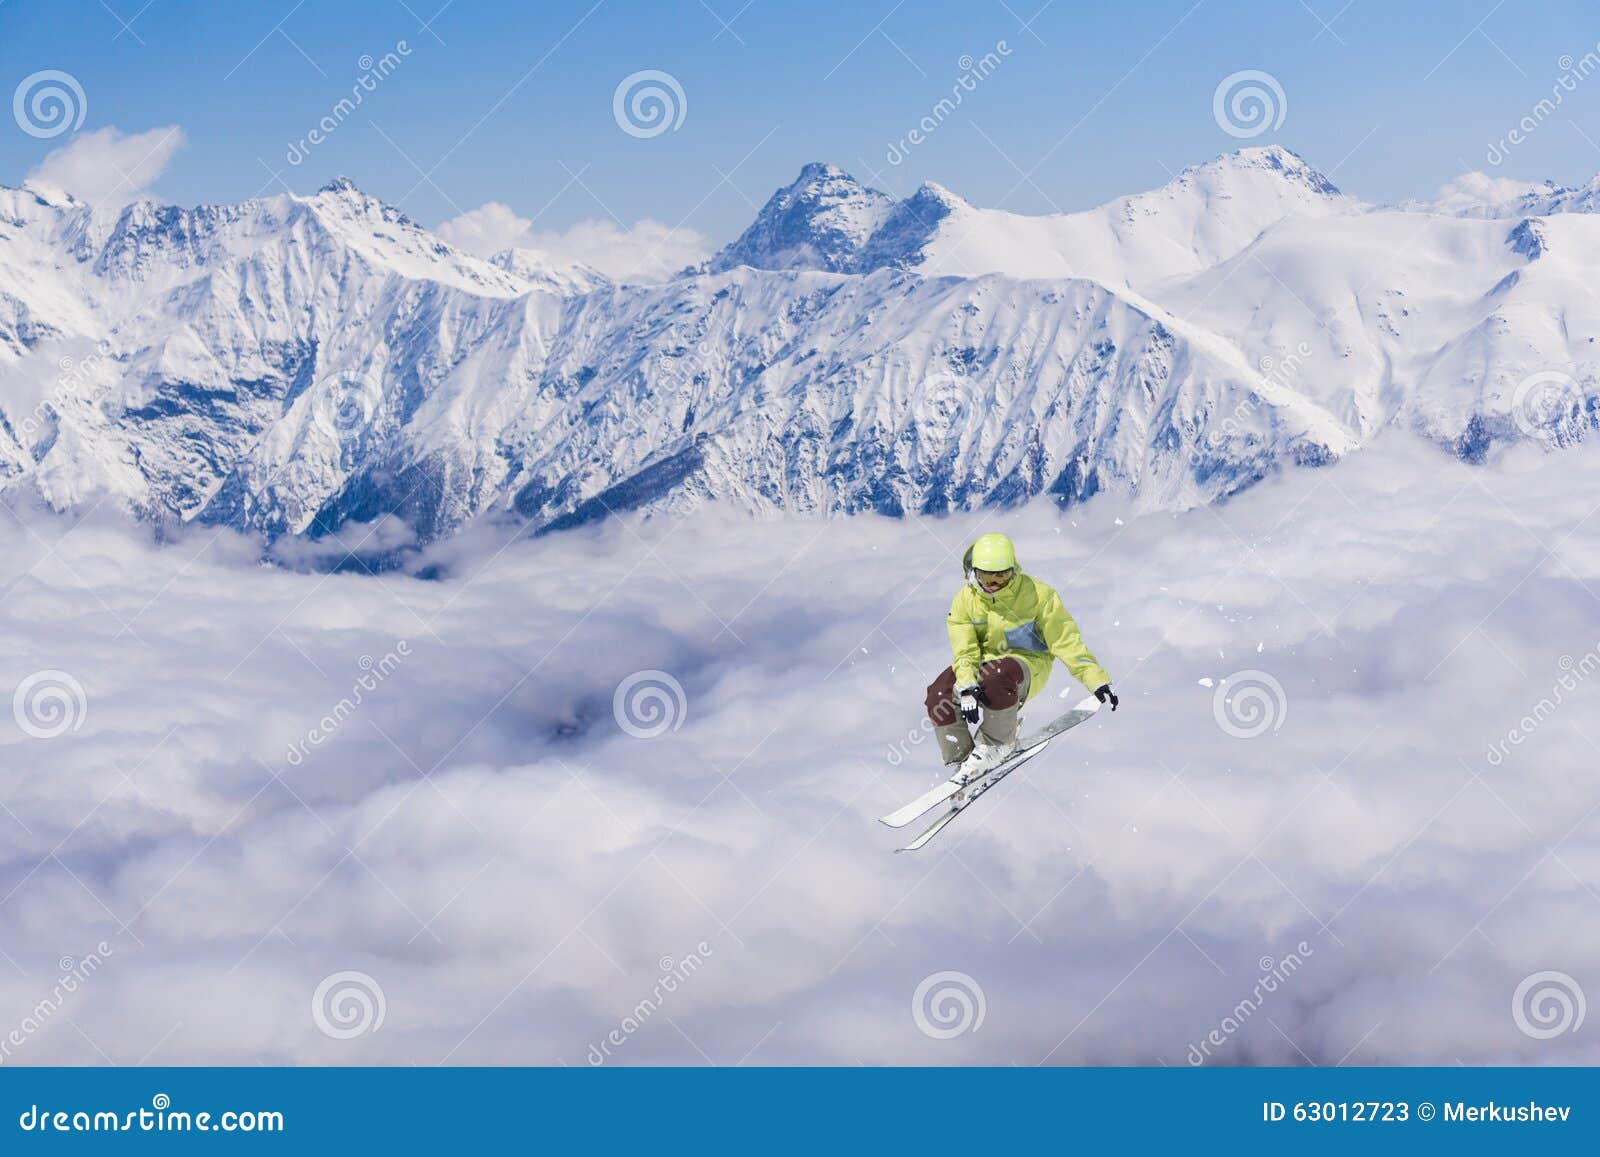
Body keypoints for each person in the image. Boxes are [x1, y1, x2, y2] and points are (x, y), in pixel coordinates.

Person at [924, 532, 1117, 778]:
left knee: (996, 676)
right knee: (938, 694)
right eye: (986, 576)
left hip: (1026, 666)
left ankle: (997, 745)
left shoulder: (1038, 596)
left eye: (1001, 575)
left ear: (1013, 570)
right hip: (982, 664)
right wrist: (966, 684)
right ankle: (963, 761)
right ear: (974, 572)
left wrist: (1096, 679)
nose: (994, 584)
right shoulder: (965, 601)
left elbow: (1065, 640)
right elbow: (965, 651)